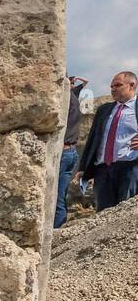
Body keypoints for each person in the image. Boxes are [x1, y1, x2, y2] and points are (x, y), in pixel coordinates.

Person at [74, 71, 138, 213]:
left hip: (129, 169)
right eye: (111, 86)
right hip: (102, 171)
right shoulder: (104, 109)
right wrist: (83, 167)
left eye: (118, 85)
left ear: (132, 85)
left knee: (126, 213)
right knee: (103, 214)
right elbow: (93, 139)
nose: (113, 89)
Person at [55, 77, 86, 227]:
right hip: (71, 153)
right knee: (60, 196)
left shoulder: (66, 98)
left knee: (55, 197)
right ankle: (59, 230)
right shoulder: (74, 98)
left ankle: (54, 231)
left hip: (63, 153)